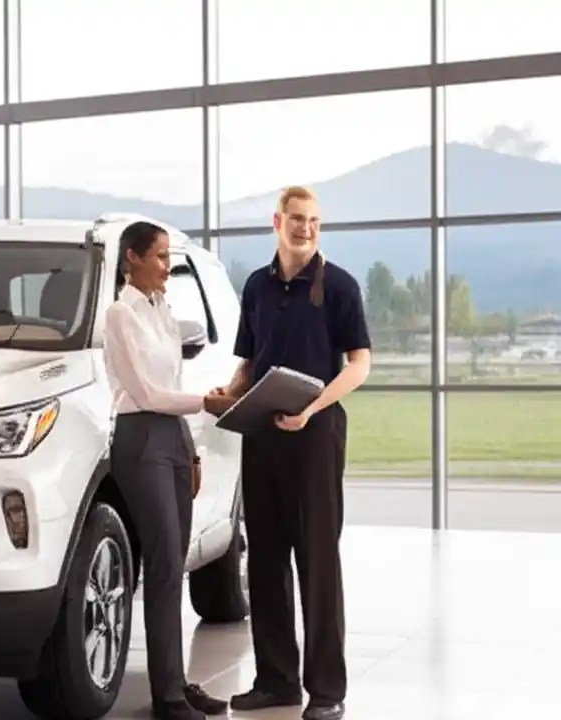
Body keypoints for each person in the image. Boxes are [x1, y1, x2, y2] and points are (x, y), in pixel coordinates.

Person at [215, 186, 370, 720]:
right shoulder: (257, 286)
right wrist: (229, 393)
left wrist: (311, 407)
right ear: (277, 222)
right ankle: (276, 681)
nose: (306, 228)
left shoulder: (341, 286)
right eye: (298, 219)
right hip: (261, 438)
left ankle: (327, 691)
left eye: (315, 221)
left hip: (315, 437)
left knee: (317, 563)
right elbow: (249, 361)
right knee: (265, 560)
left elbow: (359, 365)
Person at [103, 221, 235, 720]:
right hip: (142, 439)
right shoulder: (120, 315)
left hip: (175, 438)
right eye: (159, 256)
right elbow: (148, 395)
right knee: (161, 566)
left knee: (174, 565)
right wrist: (207, 402)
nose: (167, 265)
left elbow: (172, 381)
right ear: (132, 258)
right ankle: (168, 697)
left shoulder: (163, 308)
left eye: (168, 257)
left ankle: (176, 680)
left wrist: (192, 446)